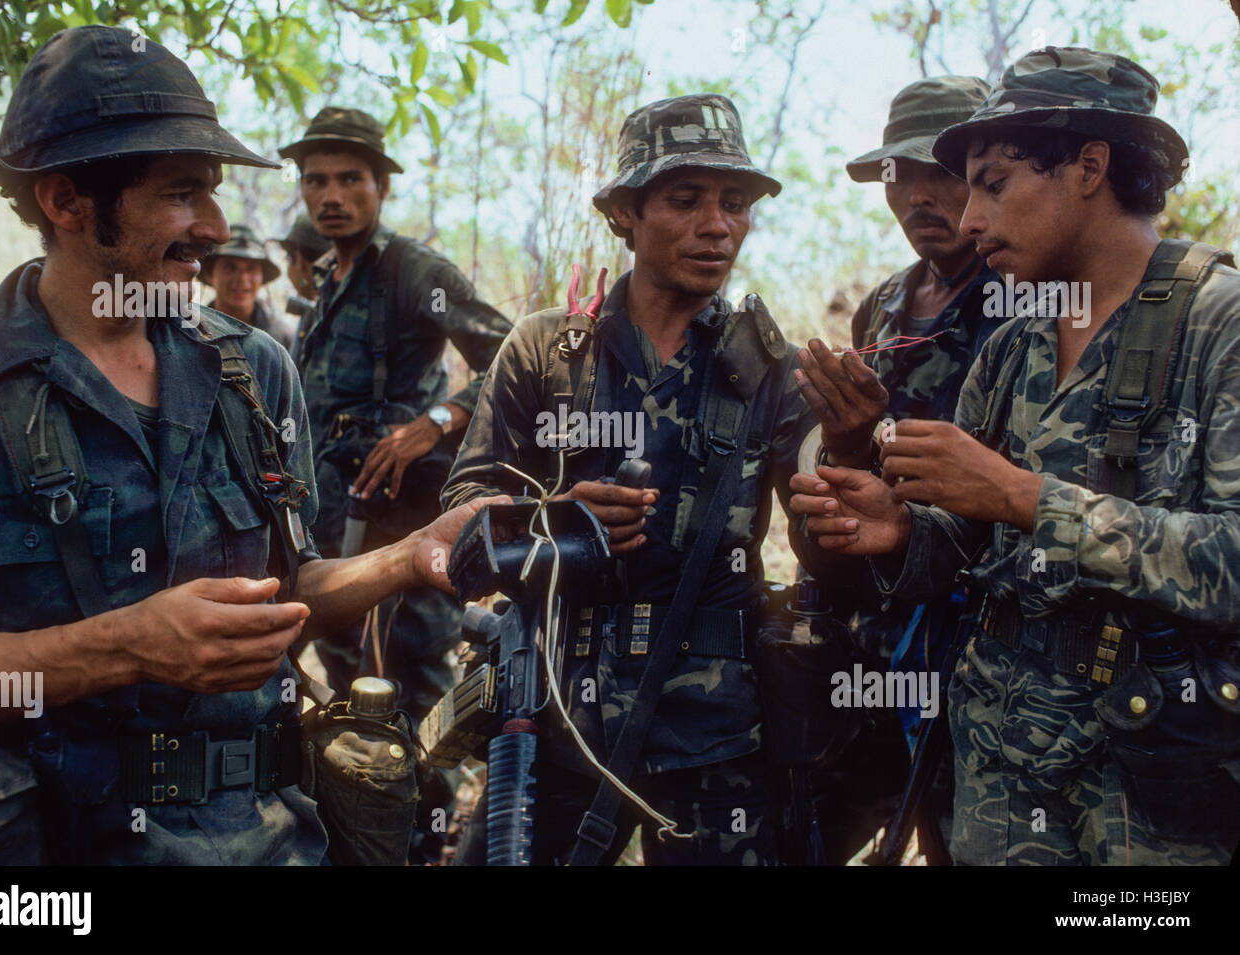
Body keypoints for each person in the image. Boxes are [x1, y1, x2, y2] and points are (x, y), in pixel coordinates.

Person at [0, 24, 498, 866]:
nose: (214, 224)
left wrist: (410, 556)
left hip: (267, 835)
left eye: (212, 191)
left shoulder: (253, 370)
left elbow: (286, 582)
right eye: (181, 193)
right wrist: (120, 647)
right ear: (64, 201)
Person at [793, 46, 1240, 865]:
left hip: (1156, 786)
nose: (967, 219)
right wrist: (899, 527)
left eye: (993, 185)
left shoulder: (1219, 325)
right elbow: (966, 548)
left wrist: (1029, 498)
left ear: (1090, 167)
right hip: (1000, 770)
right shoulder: (1013, 349)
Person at [443, 93, 814, 865]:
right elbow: (463, 520)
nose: (718, 225)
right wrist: (551, 518)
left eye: (736, 203)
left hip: (715, 732)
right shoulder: (547, 350)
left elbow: (828, 543)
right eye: (685, 200)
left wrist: (848, 454)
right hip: (553, 717)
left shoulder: (771, 369)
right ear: (625, 213)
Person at [281, 105, 512, 862]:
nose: (331, 196)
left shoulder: (415, 271)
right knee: (348, 687)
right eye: (316, 181)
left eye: (351, 179)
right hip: (330, 522)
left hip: (397, 529)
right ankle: (365, 832)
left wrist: (438, 418)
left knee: (404, 695)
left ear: (381, 186)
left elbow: (514, 353)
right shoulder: (327, 275)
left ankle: (423, 841)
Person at [793, 75, 998, 864]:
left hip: (975, 630)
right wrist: (838, 450)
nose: (918, 197)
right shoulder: (882, 305)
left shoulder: (1028, 293)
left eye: (941, 174)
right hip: (875, 630)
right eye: (899, 177)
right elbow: (852, 449)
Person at [200, 224, 296, 350]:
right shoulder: (193, 333)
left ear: (262, 277)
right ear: (210, 274)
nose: (242, 279)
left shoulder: (282, 337)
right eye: (231, 268)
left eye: (251, 269)